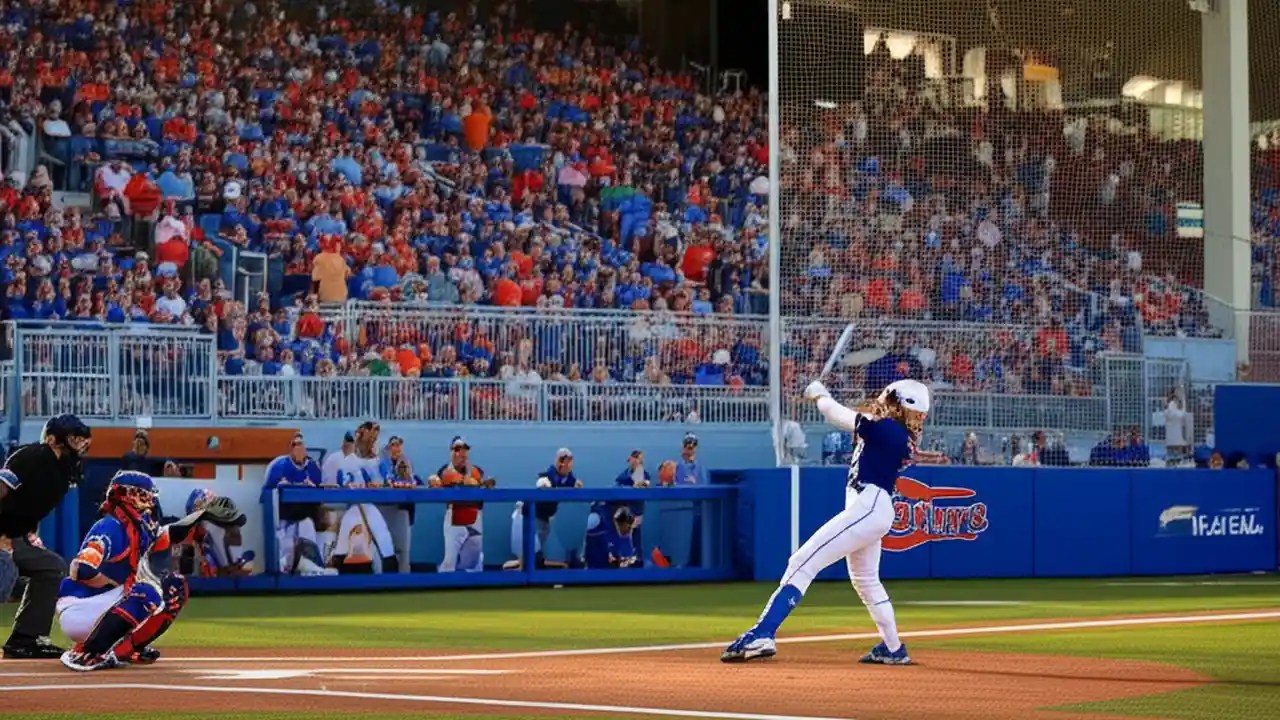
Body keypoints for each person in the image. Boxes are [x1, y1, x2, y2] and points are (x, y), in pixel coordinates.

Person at [722, 379, 931, 666]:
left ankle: (764, 633)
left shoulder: (887, 430)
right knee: (866, 580)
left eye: (891, 401)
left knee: (801, 563)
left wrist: (819, 394)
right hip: (874, 507)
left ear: (899, 405)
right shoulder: (895, 433)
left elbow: (836, 415)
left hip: (868, 506)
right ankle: (893, 648)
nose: (884, 403)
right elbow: (859, 416)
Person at [55, 471, 242, 671]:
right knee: (147, 592)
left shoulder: (137, 529)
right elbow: (80, 569)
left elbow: (170, 533)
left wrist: (201, 515)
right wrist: (113, 584)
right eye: (144, 496)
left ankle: (124, 649)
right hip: (80, 604)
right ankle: (87, 652)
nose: (150, 502)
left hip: (99, 603)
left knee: (174, 587)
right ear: (127, 495)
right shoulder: (110, 526)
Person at [1, 414, 92, 659]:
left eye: (82, 439)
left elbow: (27, 506)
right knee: (3, 574)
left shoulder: (65, 469)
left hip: (14, 535)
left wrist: (25, 532)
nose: (81, 443)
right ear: (53, 439)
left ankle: (26, 638)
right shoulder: (33, 455)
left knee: (51, 567)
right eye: (75, 437)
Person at [263, 434, 333, 576]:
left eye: (301, 445)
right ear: (291, 448)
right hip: (284, 515)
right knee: (284, 549)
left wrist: (312, 486)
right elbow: (268, 490)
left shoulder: (312, 466)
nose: (299, 449)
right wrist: (280, 485)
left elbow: (320, 489)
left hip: (305, 514)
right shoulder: (280, 465)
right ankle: (283, 569)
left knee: (307, 525)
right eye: (295, 445)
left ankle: (313, 567)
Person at [428, 436, 494, 573]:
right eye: (457, 450)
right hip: (455, 517)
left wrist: (482, 483)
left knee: (474, 559)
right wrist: (433, 480)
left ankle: (470, 581)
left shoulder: (476, 470)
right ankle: (443, 580)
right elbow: (436, 480)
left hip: (474, 515)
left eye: (464, 450)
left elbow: (486, 482)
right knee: (449, 561)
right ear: (451, 452)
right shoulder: (445, 470)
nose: (461, 454)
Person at [533, 447, 581, 565]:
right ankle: (531, 562)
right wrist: (544, 485)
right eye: (566, 461)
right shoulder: (547, 475)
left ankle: (536, 560)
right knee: (537, 538)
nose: (569, 465)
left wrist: (577, 487)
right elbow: (541, 483)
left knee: (543, 535)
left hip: (549, 515)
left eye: (570, 461)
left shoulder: (571, 479)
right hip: (536, 515)